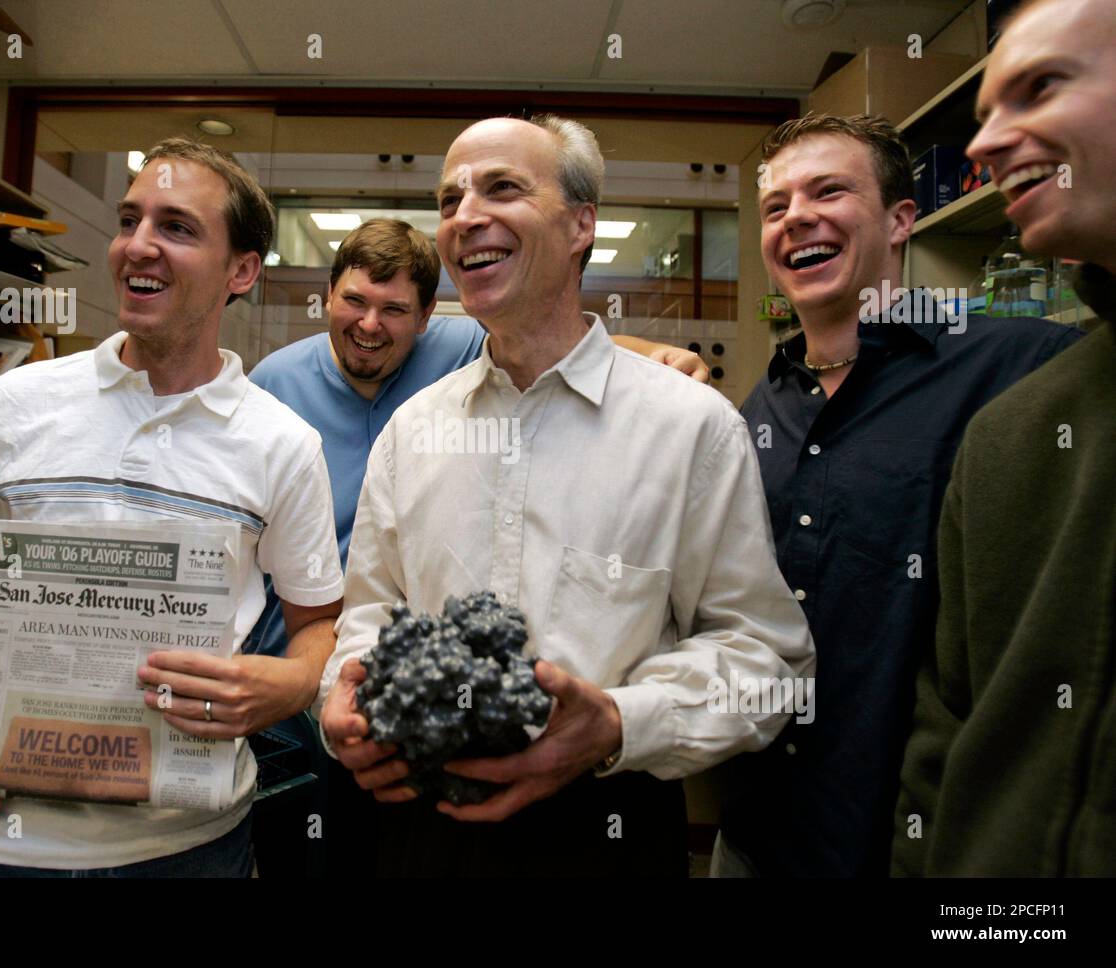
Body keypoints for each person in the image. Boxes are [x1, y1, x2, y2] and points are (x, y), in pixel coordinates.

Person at [316, 114, 814, 877]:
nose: (466, 216)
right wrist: (343, 700)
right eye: (450, 200)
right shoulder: (413, 431)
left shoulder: (691, 429)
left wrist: (617, 721)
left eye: (502, 188)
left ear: (582, 224)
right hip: (422, 822)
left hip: (608, 823)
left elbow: (767, 660)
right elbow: (370, 619)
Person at [0, 137, 345, 877]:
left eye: (176, 227)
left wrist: (294, 682)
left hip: (185, 848)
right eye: (128, 220)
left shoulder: (282, 443)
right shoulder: (19, 401)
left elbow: (317, 625)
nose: (137, 246)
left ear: (241, 271)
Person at [247, 217, 708, 874]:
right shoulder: (275, 382)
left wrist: (657, 354)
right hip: (298, 675)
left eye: (394, 310)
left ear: (428, 318)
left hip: (413, 697)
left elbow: (560, 338)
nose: (370, 324)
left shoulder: (461, 351)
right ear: (327, 296)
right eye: (353, 301)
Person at [716, 114, 1084, 877]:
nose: (797, 217)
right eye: (777, 206)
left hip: (920, 844)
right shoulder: (756, 411)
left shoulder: (1021, 365)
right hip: (757, 836)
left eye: (828, 191)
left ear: (900, 220)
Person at [892, 0, 1116, 876]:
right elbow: (946, 729)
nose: (983, 144)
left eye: (1041, 87)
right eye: (984, 113)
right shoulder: (1016, 430)